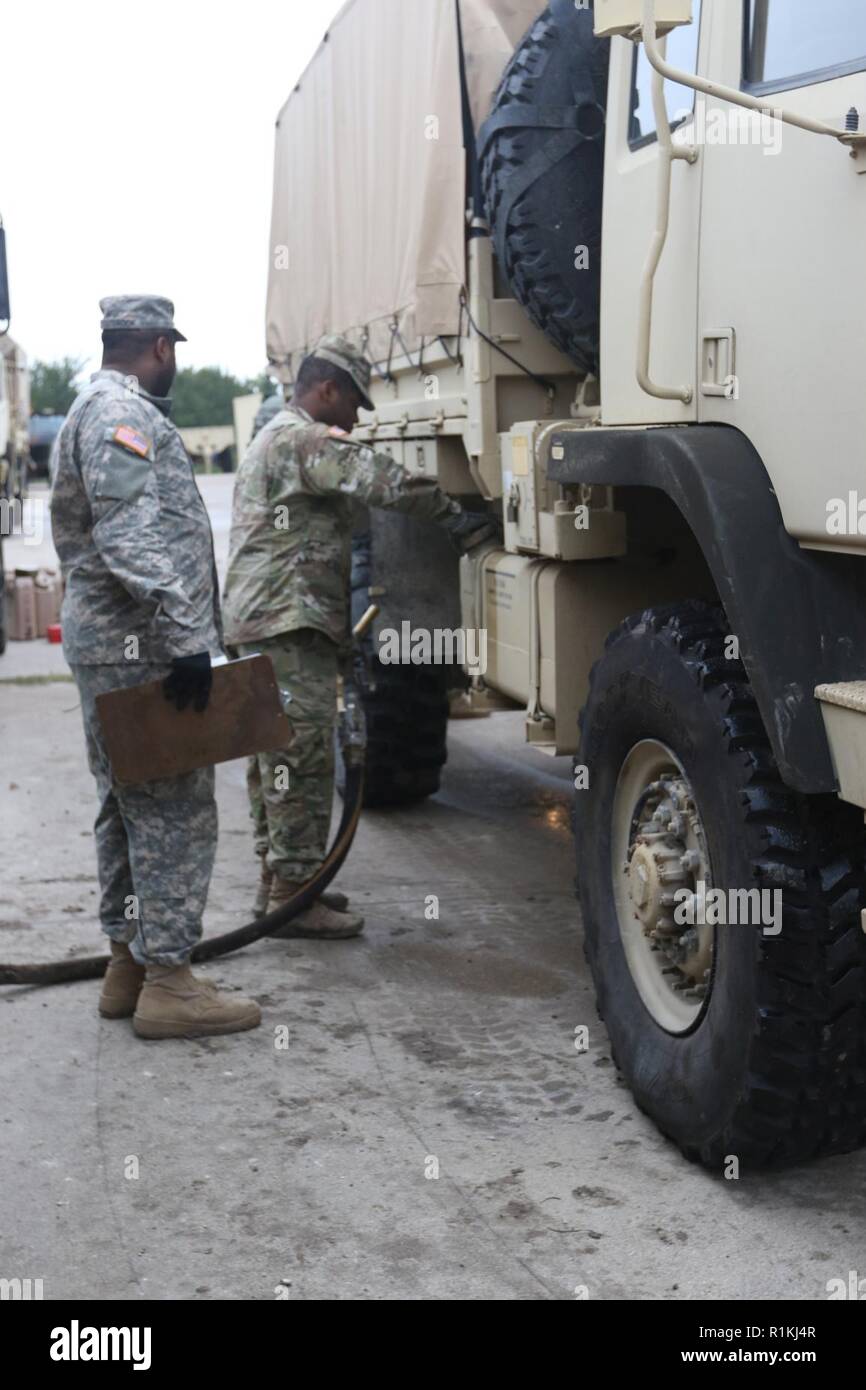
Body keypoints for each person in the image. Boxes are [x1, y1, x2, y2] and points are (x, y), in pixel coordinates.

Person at [222, 334, 497, 938]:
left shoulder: (273, 437)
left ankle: (280, 884)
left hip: (262, 623)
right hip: (286, 626)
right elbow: (385, 482)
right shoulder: (305, 439)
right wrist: (459, 521)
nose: (355, 419)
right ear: (326, 389)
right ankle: (295, 895)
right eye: (352, 405)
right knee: (302, 755)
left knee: (273, 757)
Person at [50, 295, 261, 1039]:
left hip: (112, 646)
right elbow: (131, 535)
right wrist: (183, 635)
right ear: (160, 347)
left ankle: (128, 967)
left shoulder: (92, 408)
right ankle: (170, 981)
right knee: (172, 810)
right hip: (139, 647)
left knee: (126, 804)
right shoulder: (122, 415)